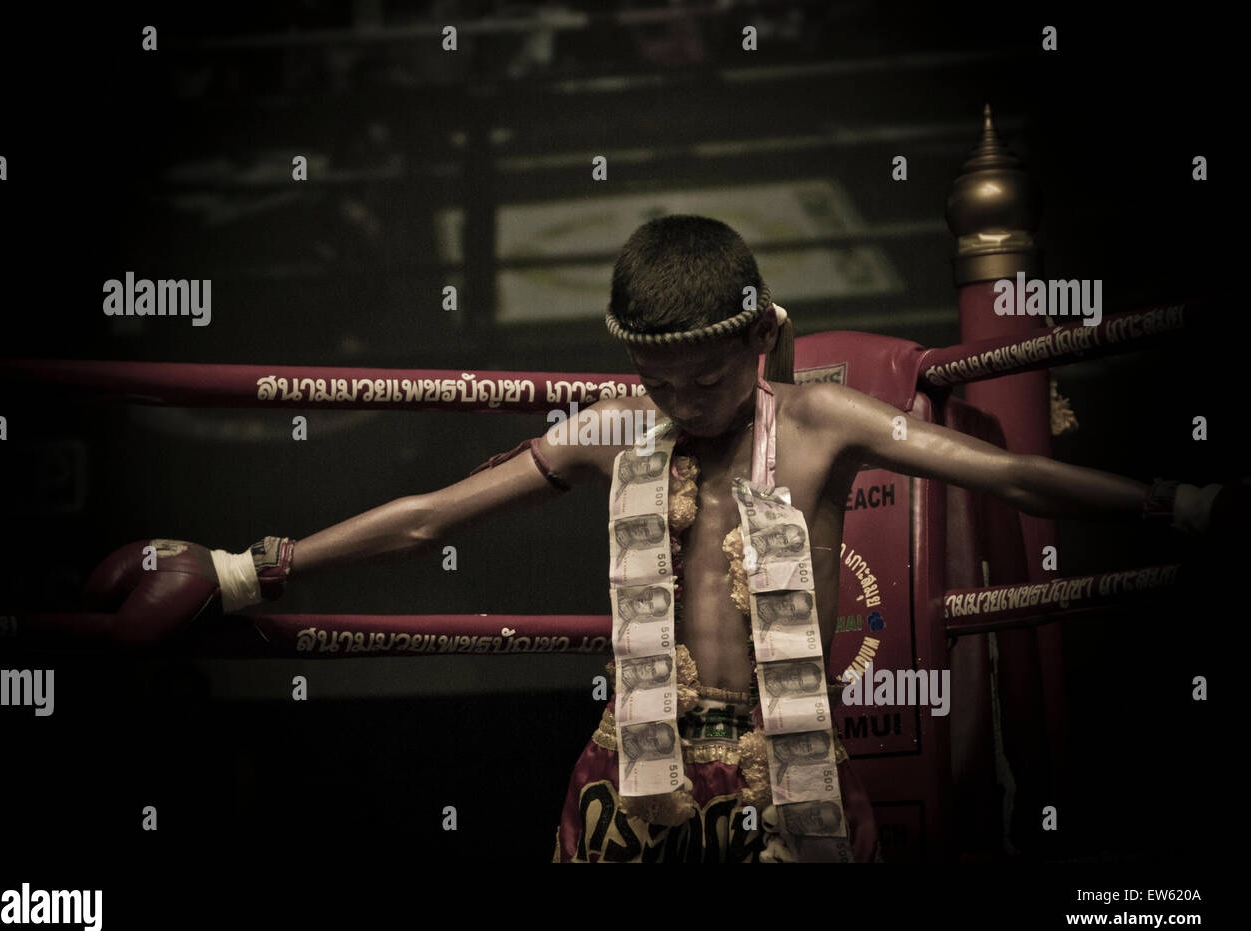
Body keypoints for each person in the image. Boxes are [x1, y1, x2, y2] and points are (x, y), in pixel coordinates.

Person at [84, 214, 1242, 863]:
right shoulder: (612, 430)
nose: (687, 400)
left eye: (710, 376)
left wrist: (1168, 504)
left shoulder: (824, 421)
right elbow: (435, 511)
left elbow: (1008, 469)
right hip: (632, 761)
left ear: (763, 338)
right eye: (663, 378)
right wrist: (251, 566)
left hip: (791, 770)